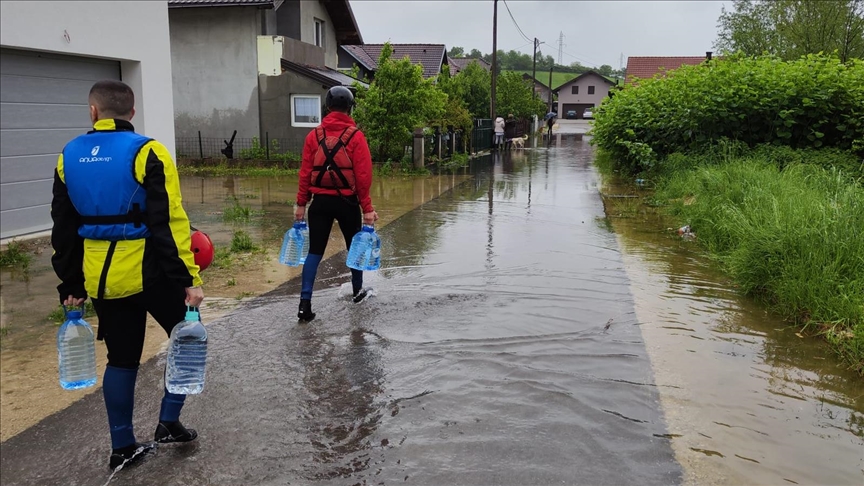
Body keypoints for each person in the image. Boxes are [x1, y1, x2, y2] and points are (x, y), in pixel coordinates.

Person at [50, 80, 205, 470]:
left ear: (93, 111)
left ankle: (122, 445)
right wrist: (188, 278)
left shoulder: (67, 156)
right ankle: (168, 422)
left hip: (100, 277)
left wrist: (71, 283)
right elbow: (168, 221)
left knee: (121, 359)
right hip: (151, 271)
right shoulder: (148, 151)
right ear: (131, 113)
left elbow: (63, 226)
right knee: (188, 338)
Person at [294, 86, 378, 321]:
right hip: (347, 202)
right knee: (355, 250)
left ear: (327, 107)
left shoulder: (314, 136)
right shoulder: (356, 136)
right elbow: (363, 176)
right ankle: (358, 292)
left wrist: (301, 204)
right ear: (350, 108)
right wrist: (367, 208)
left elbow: (305, 173)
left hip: (319, 203)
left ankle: (304, 304)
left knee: (314, 252)